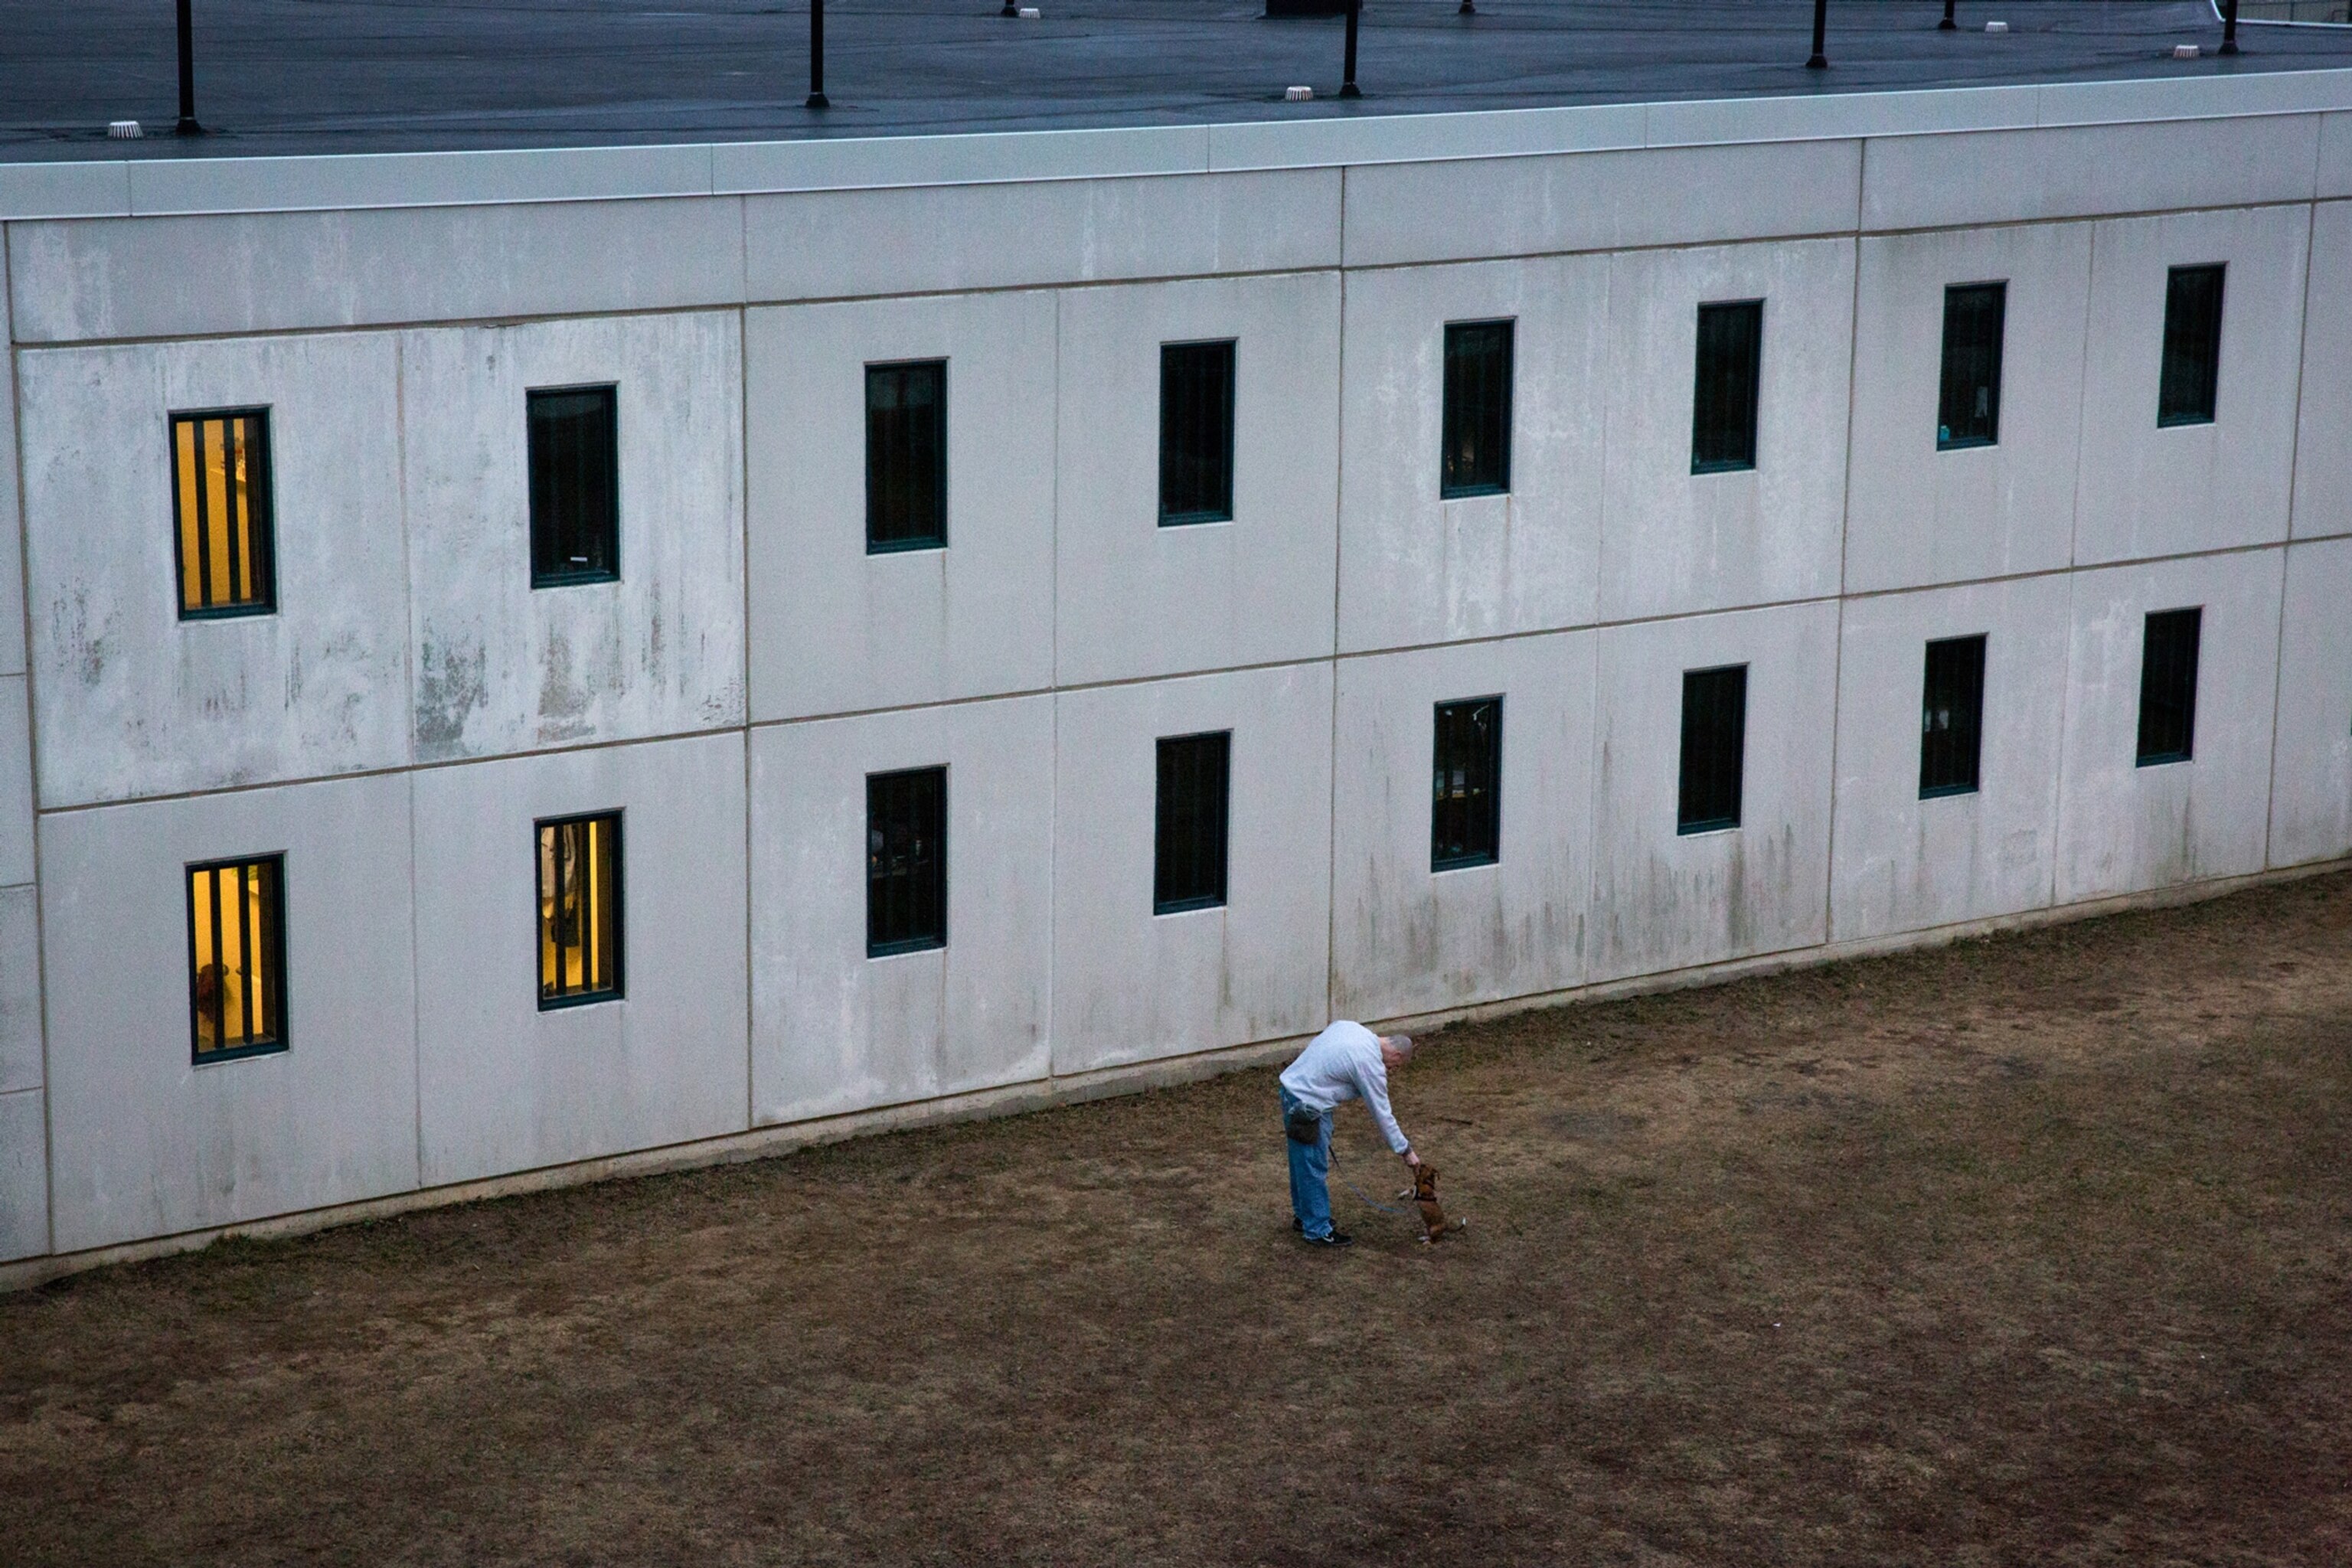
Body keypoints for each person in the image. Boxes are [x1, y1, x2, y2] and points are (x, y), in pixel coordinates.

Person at [1277, 1020, 1417, 1248]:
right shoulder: (1369, 1063)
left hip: (1291, 1089)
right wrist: (1406, 1150)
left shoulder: (1352, 1028)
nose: (1391, 1071)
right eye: (1396, 1066)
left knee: (1300, 1162)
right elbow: (1382, 1113)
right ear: (1398, 1055)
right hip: (1309, 1105)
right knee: (1313, 1165)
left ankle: (1305, 1217)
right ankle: (1318, 1229)